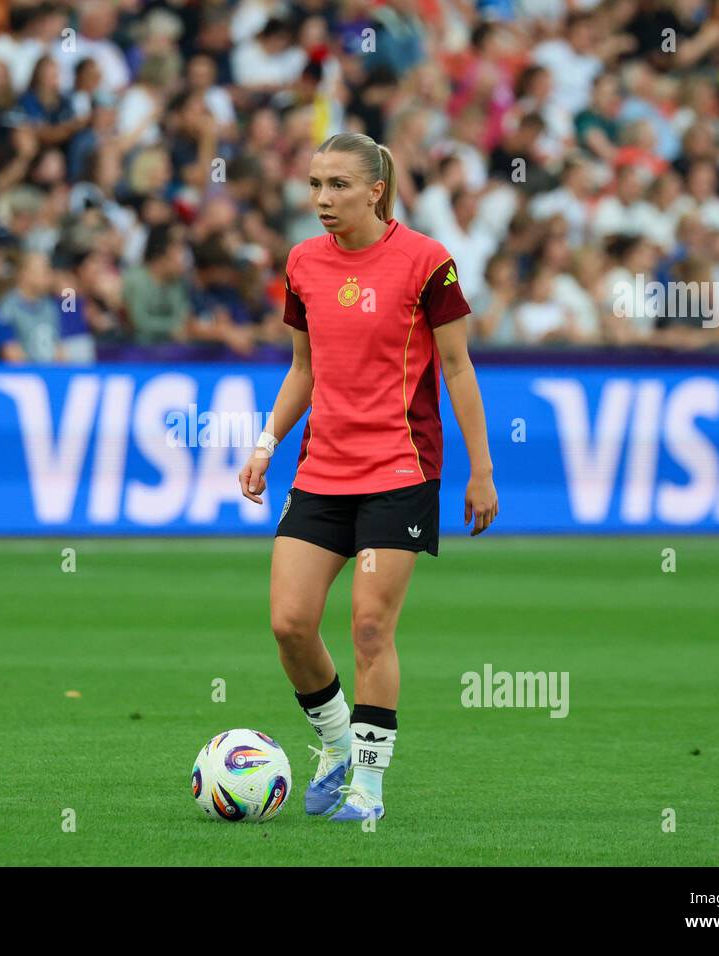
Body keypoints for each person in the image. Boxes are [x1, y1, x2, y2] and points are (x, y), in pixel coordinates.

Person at [237, 133, 499, 823]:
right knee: (290, 624)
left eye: (339, 185)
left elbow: (458, 368)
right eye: (315, 183)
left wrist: (482, 469)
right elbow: (304, 369)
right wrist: (266, 443)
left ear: (375, 190)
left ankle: (369, 790)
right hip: (321, 471)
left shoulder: (426, 262)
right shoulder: (303, 263)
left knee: (369, 629)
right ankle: (334, 743)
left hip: (398, 472)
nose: (322, 198)